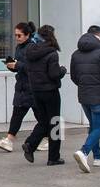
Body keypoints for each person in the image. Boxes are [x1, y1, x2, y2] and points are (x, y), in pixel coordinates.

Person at [69, 24, 100, 173]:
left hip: (84, 96)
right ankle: (84, 151)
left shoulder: (76, 54)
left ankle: (98, 157)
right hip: (99, 96)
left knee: (93, 126)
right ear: (99, 36)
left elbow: (74, 76)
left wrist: (84, 86)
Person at [0, 22, 45, 153]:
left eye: (19, 35)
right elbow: (20, 67)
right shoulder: (19, 48)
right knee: (22, 114)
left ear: (27, 35)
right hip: (22, 86)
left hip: (32, 87)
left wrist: (17, 66)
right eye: (15, 35)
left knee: (37, 115)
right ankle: (11, 140)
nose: (17, 38)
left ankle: (12, 140)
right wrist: (12, 66)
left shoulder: (32, 47)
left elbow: (32, 67)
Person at [21, 25, 66, 166]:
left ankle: (30, 144)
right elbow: (54, 74)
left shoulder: (30, 50)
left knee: (44, 121)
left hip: (36, 91)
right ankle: (53, 157)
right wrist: (62, 71)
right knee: (55, 123)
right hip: (50, 92)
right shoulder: (52, 53)